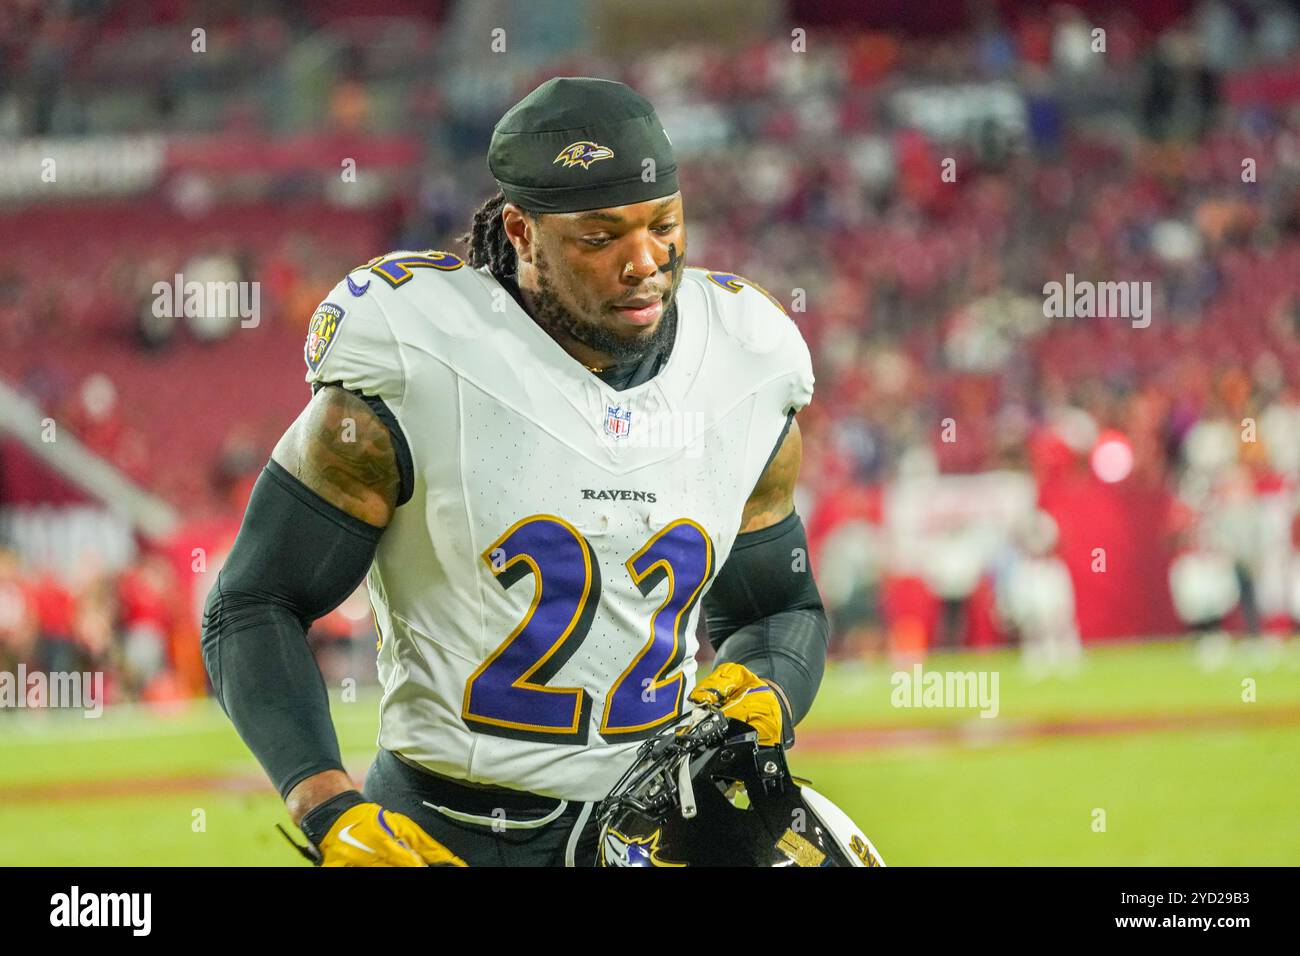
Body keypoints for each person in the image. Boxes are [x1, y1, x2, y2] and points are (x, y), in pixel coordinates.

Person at [201, 77, 830, 867]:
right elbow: (254, 600)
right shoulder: (422, 356)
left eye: (664, 225)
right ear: (522, 233)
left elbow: (778, 608)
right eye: (600, 237)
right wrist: (327, 807)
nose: (645, 262)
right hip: (442, 832)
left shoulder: (742, 362)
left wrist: (765, 690)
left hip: (653, 833)